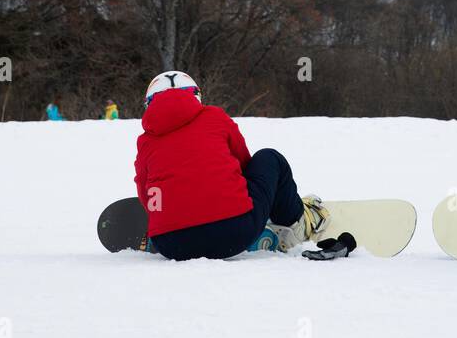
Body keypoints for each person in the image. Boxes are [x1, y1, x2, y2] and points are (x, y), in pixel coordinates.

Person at [133, 70, 327, 261]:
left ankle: (177, 219)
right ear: (195, 95)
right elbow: (244, 165)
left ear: (149, 103)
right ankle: (297, 225)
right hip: (235, 232)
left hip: (169, 244)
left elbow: (145, 192)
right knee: (270, 157)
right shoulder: (215, 117)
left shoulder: (146, 141)